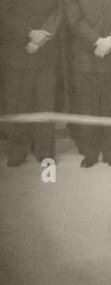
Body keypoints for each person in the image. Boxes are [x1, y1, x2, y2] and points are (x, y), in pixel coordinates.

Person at [63, 0, 111, 167]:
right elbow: (74, 19)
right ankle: (90, 153)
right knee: (87, 106)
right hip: (86, 55)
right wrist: (96, 41)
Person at [1, 0, 64, 167]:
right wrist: (29, 34)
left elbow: (59, 9)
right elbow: (5, 12)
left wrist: (43, 37)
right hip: (16, 51)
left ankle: (45, 152)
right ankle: (16, 151)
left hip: (46, 50)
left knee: (45, 103)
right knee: (16, 104)